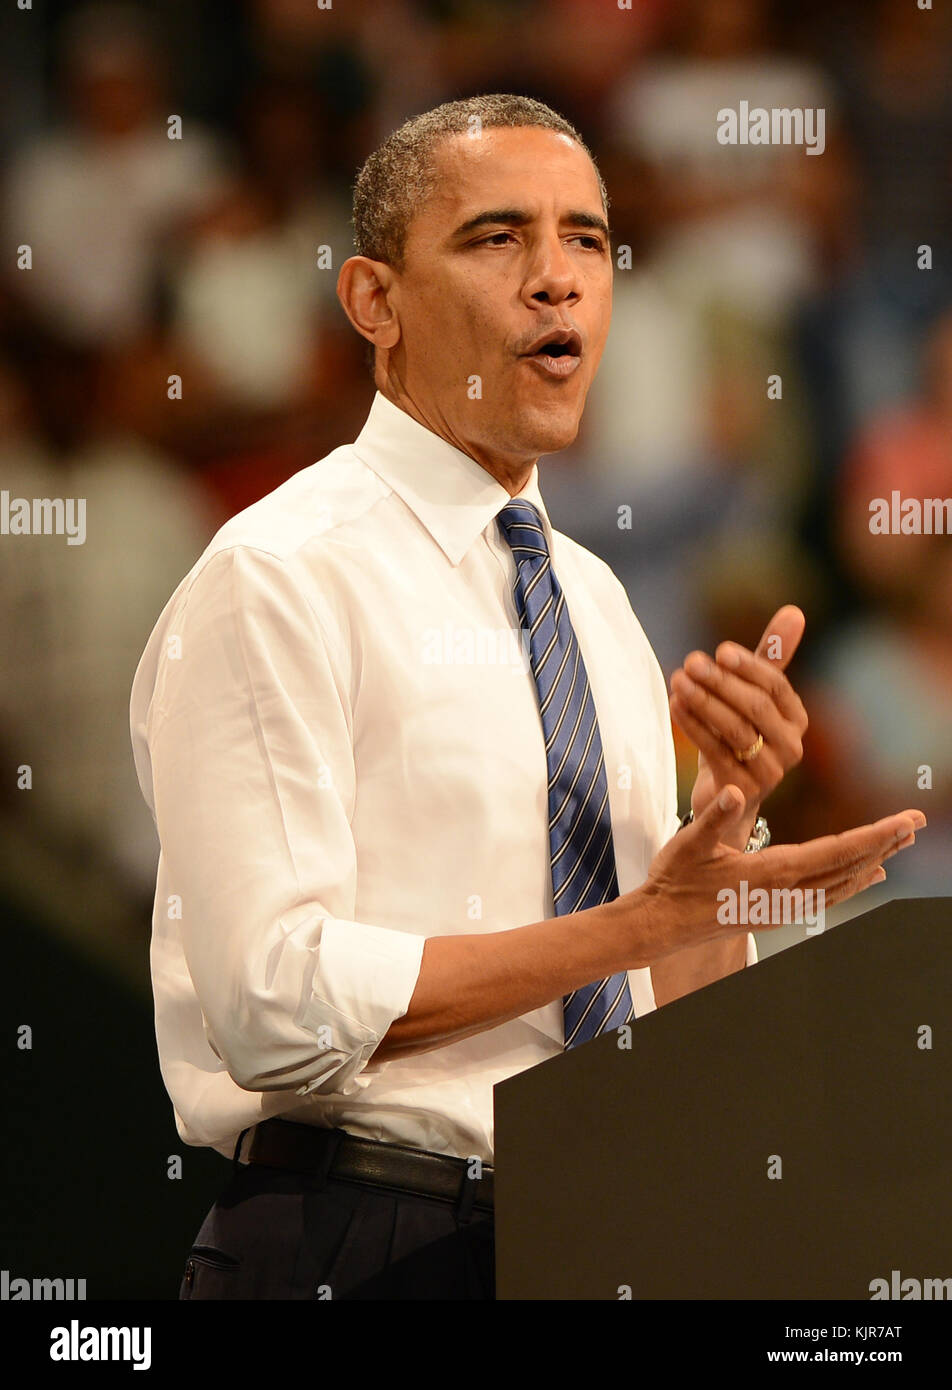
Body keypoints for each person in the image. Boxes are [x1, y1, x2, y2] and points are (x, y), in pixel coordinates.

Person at [129, 94, 925, 1301]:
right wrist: (634, 926)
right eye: (496, 237)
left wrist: (715, 857)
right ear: (373, 302)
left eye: (588, 240)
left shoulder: (594, 604)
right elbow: (273, 1003)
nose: (557, 280)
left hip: (590, 1241)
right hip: (360, 1240)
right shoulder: (279, 575)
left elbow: (654, 1022)